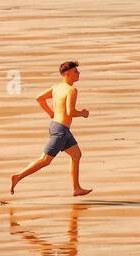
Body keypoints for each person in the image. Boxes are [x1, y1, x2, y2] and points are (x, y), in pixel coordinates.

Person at [10, 61, 92, 197]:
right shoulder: (72, 90)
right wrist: (83, 113)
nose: (78, 73)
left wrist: (50, 113)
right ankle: (18, 176)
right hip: (60, 131)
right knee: (45, 160)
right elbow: (70, 112)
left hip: (59, 127)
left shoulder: (57, 88)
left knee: (76, 155)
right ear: (67, 74)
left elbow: (39, 98)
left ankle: (76, 188)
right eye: (75, 71)